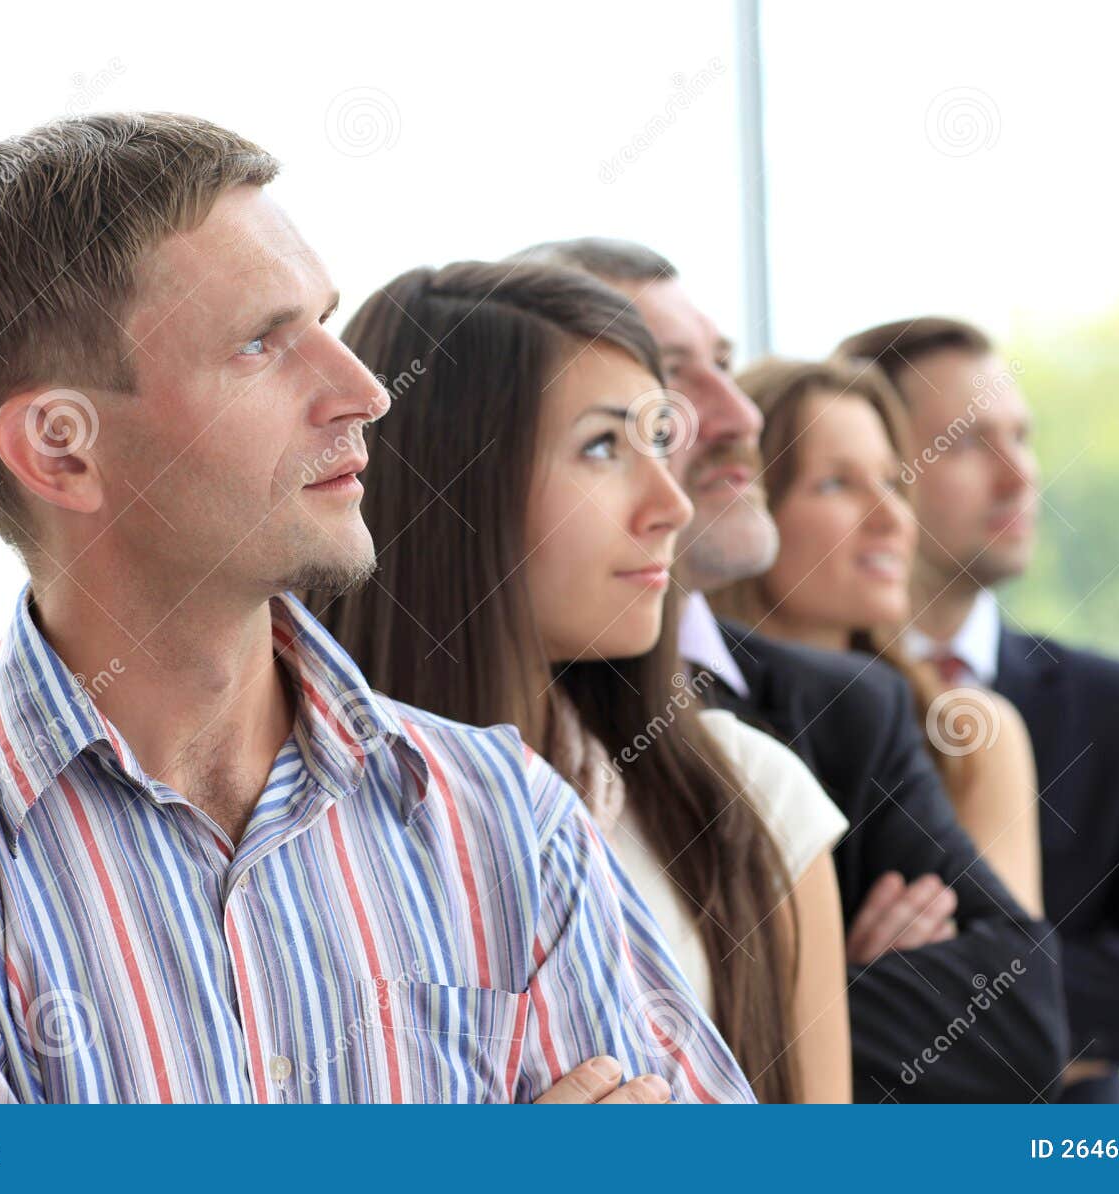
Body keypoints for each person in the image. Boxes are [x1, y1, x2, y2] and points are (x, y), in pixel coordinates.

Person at [0, 113, 755, 1105]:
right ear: (59, 449)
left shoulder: (506, 817)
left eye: (324, 324)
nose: (365, 392)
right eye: (263, 345)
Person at [514, 238, 1069, 1102]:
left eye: (724, 363)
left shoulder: (850, 711)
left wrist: (789, 998)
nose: (736, 412)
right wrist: (810, 981)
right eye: (669, 375)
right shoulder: (444, 728)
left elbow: (1021, 1015)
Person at [316, 260, 852, 1102]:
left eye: (659, 442)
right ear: (455, 484)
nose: (671, 503)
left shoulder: (753, 799)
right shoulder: (284, 830)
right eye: (603, 447)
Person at [836, 315, 1119, 1102]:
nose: (1019, 476)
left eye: (1022, 437)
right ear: (880, 468)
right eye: (968, 443)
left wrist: (959, 1001)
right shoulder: (803, 705)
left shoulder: (1115, 706)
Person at [709, 356, 1042, 916]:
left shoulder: (969, 737)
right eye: (836, 484)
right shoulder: (697, 731)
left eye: (891, 481)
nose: (891, 518)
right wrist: (876, 961)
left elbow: (1014, 960)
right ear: (752, 508)